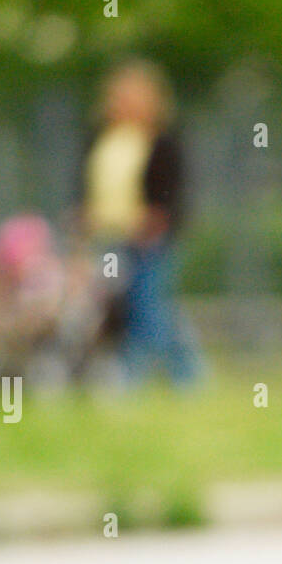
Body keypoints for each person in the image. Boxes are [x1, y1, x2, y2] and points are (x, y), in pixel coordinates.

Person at [78, 60, 202, 385]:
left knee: (147, 305)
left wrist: (155, 220)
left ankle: (141, 376)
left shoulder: (162, 141)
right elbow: (86, 185)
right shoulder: (101, 138)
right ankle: (183, 375)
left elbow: (172, 192)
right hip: (109, 238)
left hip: (150, 240)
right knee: (126, 307)